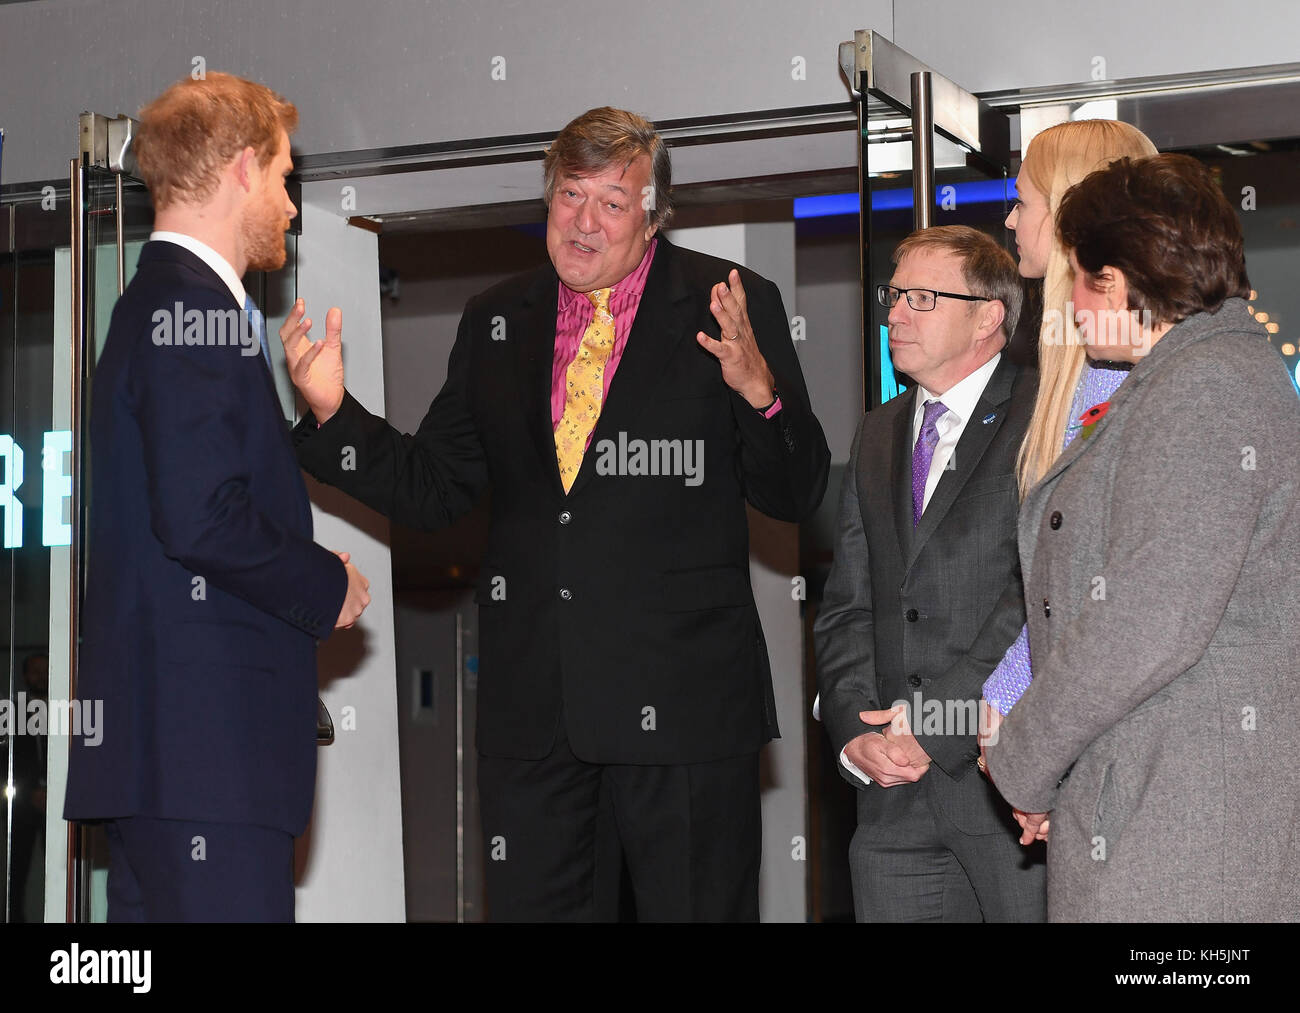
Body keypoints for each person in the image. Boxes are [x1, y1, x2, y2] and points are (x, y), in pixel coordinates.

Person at [284, 106, 830, 921]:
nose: (584, 221)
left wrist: (760, 392)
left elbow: (795, 494)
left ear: (654, 217)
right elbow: (436, 487)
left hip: (682, 713)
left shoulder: (729, 301)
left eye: (612, 202)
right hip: (534, 716)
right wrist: (335, 416)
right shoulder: (496, 320)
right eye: (570, 195)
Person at [63, 72, 371, 922]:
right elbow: (200, 514)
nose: (292, 207)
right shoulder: (185, 309)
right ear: (240, 169)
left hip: (173, 762)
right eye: (280, 178)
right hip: (205, 761)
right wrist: (324, 583)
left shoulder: (161, 308)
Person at [984, 153, 1300, 921]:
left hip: (1189, 834)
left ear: (1117, 281)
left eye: (1080, 277)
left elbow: (1145, 620)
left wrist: (1023, 758)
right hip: (1151, 801)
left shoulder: (1207, 388)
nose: (1073, 304)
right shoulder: (1184, 377)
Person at [814, 225, 1044, 922]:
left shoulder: (1043, 412)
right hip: (890, 796)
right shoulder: (879, 428)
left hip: (1003, 789)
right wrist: (856, 729)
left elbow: (1033, 596)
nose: (894, 315)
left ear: (988, 315)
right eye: (893, 296)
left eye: (921, 298)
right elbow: (849, 600)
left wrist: (932, 724)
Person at [980, 120, 1158, 845]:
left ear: (1070, 210)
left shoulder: (1117, 372)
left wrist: (1010, 720)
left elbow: (1105, 595)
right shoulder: (1074, 365)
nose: (1010, 218)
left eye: (1022, 201)